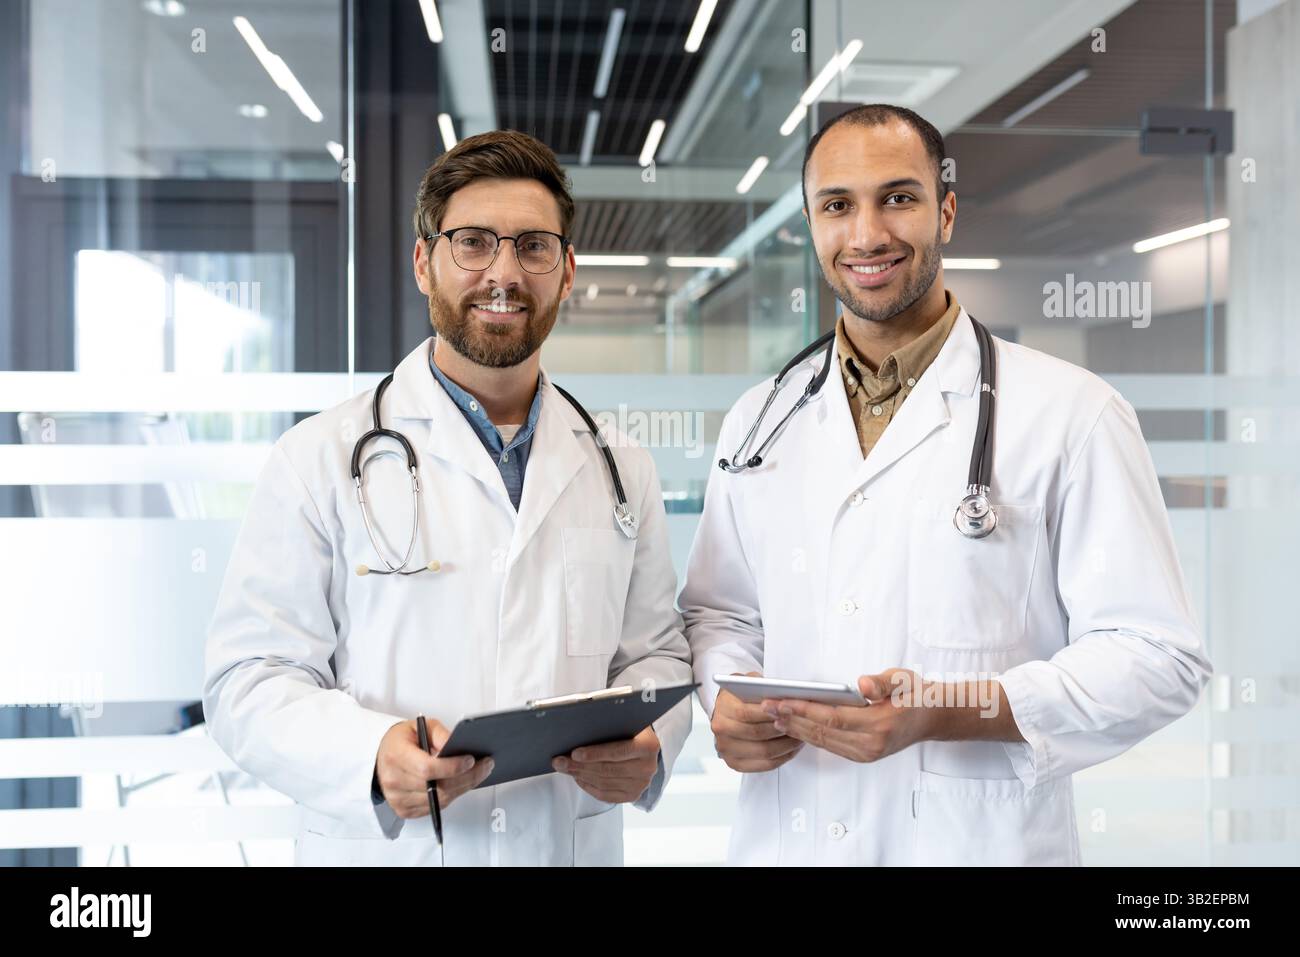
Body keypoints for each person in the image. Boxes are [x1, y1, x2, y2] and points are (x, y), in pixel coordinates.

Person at [680, 104, 1211, 866]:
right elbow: (718, 612)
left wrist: (948, 710)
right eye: (838, 205)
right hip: (787, 837)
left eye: (898, 198)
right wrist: (728, 694)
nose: (867, 234)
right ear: (811, 225)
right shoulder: (758, 422)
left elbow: (1159, 657)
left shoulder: (1073, 413)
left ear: (947, 212)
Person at [204, 130, 692, 866]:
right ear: (423, 263)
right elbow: (247, 678)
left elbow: (655, 654)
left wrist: (651, 744)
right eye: (473, 243)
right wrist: (369, 754)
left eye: (534, 246)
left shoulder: (621, 464)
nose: (504, 273)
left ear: (566, 273)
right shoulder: (318, 458)